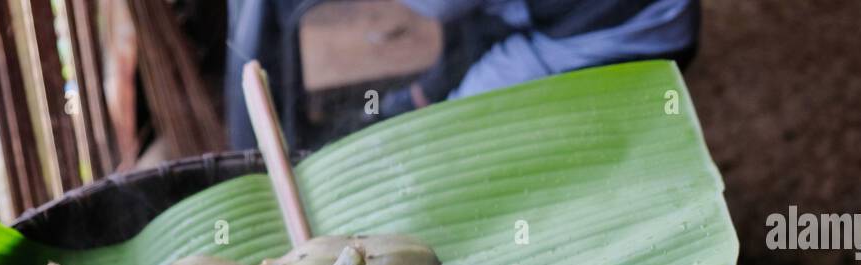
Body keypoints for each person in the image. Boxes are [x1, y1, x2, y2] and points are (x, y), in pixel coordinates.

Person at [226, 0, 700, 149]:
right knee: (454, 71)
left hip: (629, 32)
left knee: (458, 132)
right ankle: (407, 105)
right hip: (538, 16)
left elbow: (447, 10)